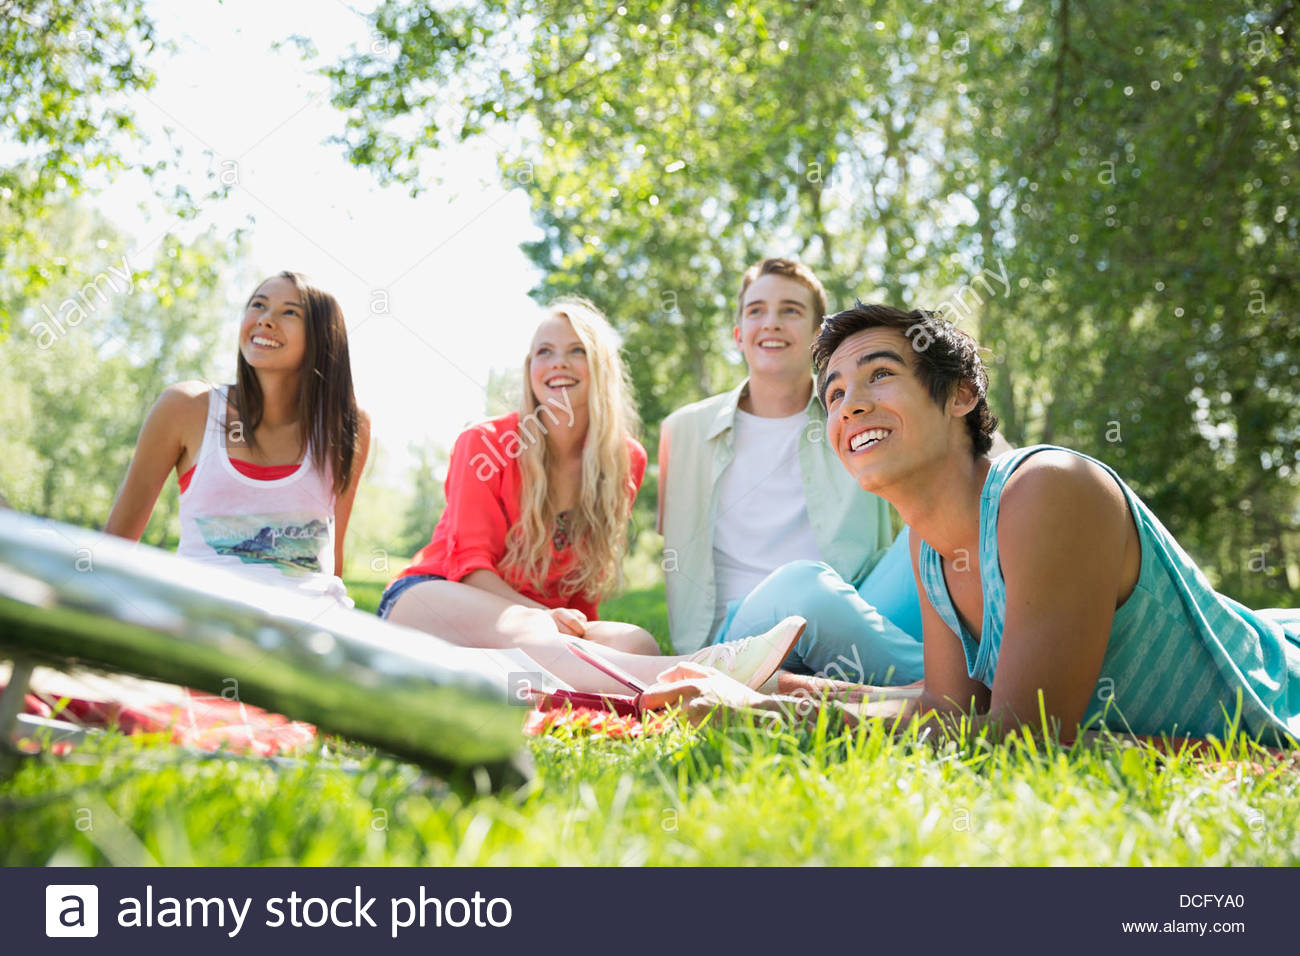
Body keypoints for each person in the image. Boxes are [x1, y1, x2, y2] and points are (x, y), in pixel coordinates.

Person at [665, 303, 1300, 743]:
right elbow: (948, 710)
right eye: (832, 395)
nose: (850, 403)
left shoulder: (1050, 489)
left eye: (880, 374)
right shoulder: (934, 550)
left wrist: (767, 718)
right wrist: (798, 693)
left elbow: (1024, 737)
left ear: (962, 395)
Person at [379, 297, 805, 694]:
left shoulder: (623, 460)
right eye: (544, 352)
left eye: (576, 350)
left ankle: (523, 680)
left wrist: (565, 624)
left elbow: (582, 589)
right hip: (434, 600)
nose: (558, 363)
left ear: (600, 366)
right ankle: (707, 672)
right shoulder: (485, 443)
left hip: (546, 626)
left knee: (635, 643)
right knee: (530, 631)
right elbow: (470, 567)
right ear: (530, 368)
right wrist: (544, 617)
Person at [657, 257, 924, 686]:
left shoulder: (856, 415)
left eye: (791, 310)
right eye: (756, 310)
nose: (772, 322)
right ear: (738, 334)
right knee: (804, 584)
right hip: (736, 637)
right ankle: (962, 694)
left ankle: (1028, 654)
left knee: (943, 523)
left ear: (819, 336)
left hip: (854, 608)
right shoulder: (682, 431)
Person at [105, 270, 370, 607]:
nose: (266, 320)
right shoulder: (185, 407)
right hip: (200, 619)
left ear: (323, 336)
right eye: (258, 305)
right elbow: (115, 546)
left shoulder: (347, 424)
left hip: (303, 630)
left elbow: (331, 560)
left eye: (290, 312)